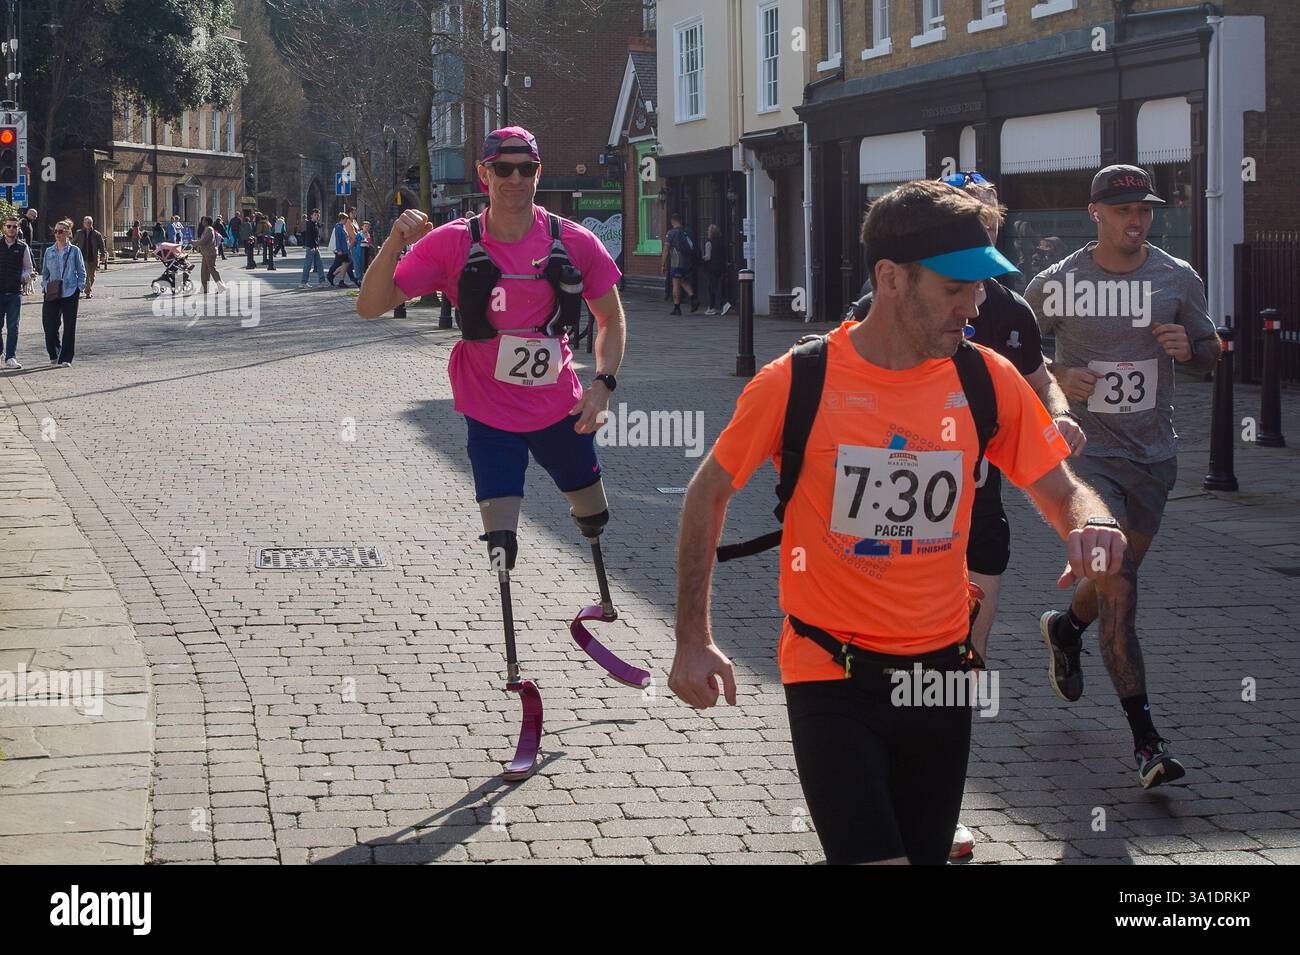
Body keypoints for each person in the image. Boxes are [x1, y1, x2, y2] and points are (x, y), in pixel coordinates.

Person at [670, 180, 1131, 865]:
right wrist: (691, 637)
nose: (975, 306)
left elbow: (1063, 488)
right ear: (890, 278)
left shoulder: (987, 379)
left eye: (982, 288)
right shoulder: (799, 380)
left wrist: (1090, 525)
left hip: (943, 674)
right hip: (832, 672)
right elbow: (707, 493)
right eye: (956, 289)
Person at [356, 126, 643, 780]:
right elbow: (371, 306)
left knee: (590, 510)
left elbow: (612, 318)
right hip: (488, 413)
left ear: (538, 172)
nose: (515, 179)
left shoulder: (574, 241)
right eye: (503, 168)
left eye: (526, 168)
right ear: (484, 175)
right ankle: (516, 669)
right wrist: (395, 239)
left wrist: (604, 385)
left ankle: (600, 592)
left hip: (561, 409)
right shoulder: (453, 243)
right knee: (501, 541)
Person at [848, 171, 1088, 859]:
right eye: (966, 218)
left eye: (987, 218)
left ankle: (940, 802)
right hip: (891, 537)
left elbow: (1039, 382)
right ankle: (892, 790)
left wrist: (1062, 418)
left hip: (979, 522)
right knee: (895, 668)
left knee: (961, 668)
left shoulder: (1007, 312)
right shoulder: (885, 303)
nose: (980, 229)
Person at [1025, 164, 1220, 789]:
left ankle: (1065, 627)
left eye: (1144, 211)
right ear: (1096, 214)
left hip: (1153, 457)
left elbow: (1214, 352)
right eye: (1123, 211)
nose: (1136, 221)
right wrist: (1056, 375)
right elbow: (1009, 355)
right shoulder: (1059, 282)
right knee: (1121, 586)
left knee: (1116, 575)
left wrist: (1191, 351)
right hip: (1086, 457)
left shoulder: (1175, 276)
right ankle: (1147, 742)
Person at [41, 220, 86, 368]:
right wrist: (45, 286)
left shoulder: (74, 251)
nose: (58, 234)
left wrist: (79, 287)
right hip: (52, 292)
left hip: (70, 291)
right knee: (50, 326)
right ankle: (54, 352)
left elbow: (81, 271)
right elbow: (45, 273)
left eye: (61, 231)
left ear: (68, 233)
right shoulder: (49, 251)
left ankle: (66, 357)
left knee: (69, 326)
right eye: (56, 231)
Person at [0, 213, 35, 370]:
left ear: (18, 229)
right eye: (9, 226)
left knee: (13, 327)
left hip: (14, 293)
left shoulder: (22, 247)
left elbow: (29, 268)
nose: (12, 229)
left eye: (14, 226)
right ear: (3, 228)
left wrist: (22, 277)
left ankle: (11, 357)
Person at [661, 213, 698, 315]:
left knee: (675, 284)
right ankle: (693, 297)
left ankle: (677, 308)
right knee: (682, 280)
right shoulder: (686, 231)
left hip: (676, 261)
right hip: (688, 261)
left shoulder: (671, 233)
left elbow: (666, 250)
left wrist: (663, 264)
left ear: (672, 221)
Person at [72, 217, 106, 299]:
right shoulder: (79, 233)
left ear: (92, 224)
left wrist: (103, 255)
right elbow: (73, 242)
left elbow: (101, 245)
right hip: (83, 257)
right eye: (86, 222)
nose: (88, 224)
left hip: (93, 257)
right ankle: (88, 291)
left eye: (89, 223)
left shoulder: (96, 234)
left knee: (92, 276)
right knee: (86, 275)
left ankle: (88, 287)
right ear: (84, 223)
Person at [195, 215, 226, 294]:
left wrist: (193, 242)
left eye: (203, 221)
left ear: (207, 222)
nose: (202, 222)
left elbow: (203, 241)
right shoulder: (206, 229)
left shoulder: (209, 229)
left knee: (212, 269)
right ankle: (205, 288)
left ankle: (221, 286)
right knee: (204, 271)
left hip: (210, 253)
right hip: (206, 252)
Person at [326, 212, 357, 287]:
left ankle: (335, 277)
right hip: (342, 250)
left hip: (345, 249)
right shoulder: (338, 227)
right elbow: (338, 240)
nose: (347, 221)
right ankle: (336, 278)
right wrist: (339, 249)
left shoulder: (342, 227)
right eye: (346, 219)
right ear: (342, 219)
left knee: (344, 264)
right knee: (344, 264)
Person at [701, 223, 726, 315]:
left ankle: (712, 307)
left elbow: (708, 257)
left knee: (712, 287)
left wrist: (701, 258)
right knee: (719, 286)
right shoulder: (721, 242)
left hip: (712, 268)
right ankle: (721, 305)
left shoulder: (709, 243)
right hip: (721, 267)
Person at [300, 208, 327, 288]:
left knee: (319, 264)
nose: (317, 216)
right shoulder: (310, 224)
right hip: (311, 247)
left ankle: (322, 281)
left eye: (318, 215)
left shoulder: (314, 223)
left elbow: (316, 234)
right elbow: (309, 237)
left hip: (315, 246)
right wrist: (313, 246)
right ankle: (303, 282)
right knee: (308, 264)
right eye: (315, 215)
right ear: (311, 216)